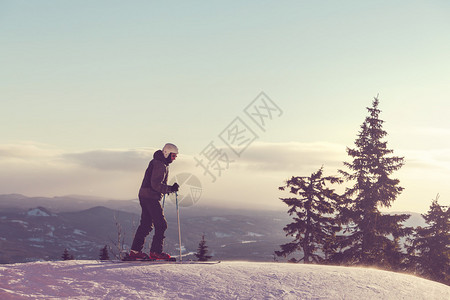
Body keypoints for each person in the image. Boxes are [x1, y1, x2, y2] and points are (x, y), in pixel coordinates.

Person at [127, 143, 179, 260]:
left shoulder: (158, 162)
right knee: (161, 225)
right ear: (167, 153)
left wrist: (167, 188)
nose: (174, 158)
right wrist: (170, 188)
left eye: (175, 156)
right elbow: (155, 185)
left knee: (146, 224)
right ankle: (156, 252)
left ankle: (135, 251)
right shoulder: (160, 164)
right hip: (150, 197)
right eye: (173, 156)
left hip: (144, 195)